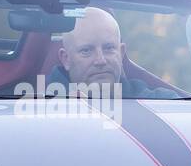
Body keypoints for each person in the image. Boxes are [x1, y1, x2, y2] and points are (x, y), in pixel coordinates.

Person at [47, 6, 179, 98]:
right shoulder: (36, 107)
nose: (101, 60)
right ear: (66, 59)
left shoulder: (160, 104)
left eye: (109, 48)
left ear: (121, 53)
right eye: (86, 50)